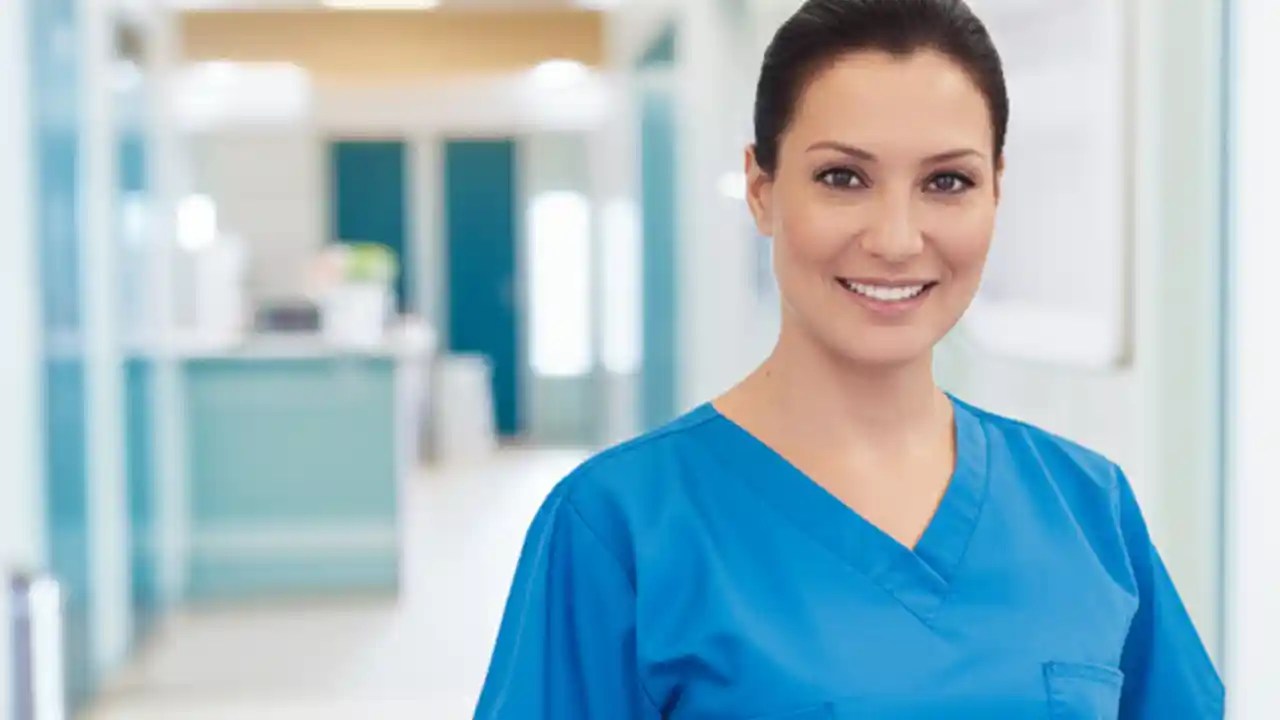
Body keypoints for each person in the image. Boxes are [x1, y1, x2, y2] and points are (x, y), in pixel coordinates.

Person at [474, 0, 1225, 717]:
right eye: (843, 177)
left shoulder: (1087, 508)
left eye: (947, 182)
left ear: (997, 189)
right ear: (761, 189)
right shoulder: (622, 526)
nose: (896, 239)